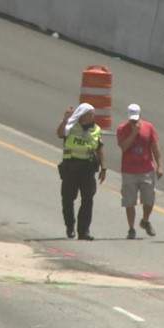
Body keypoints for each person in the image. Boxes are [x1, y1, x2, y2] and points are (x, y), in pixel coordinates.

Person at [57, 103, 107, 241]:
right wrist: (65, 120)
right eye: (90, 114)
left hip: (87, 169)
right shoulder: (70, 126)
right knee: (68, 199)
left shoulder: (96, 129)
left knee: (88, 200)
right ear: (83, 114)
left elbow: (99, 149)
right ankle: (70, 226)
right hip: (71, 167)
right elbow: (60, 133)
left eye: (93, 114)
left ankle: (83, 231)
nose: (93, 116)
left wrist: (103, 168)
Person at [117, 103, 163, 239]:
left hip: (146, 169)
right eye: (131, 120)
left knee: (149, 199)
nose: (134, 122)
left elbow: (155, 146)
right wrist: (134, 133)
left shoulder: (149, 127)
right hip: (129, 170)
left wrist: (160, 165)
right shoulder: (122, 129)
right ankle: (131, 228)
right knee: (129, 201)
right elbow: (124, 147)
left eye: (136, 119)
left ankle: (145, 220)